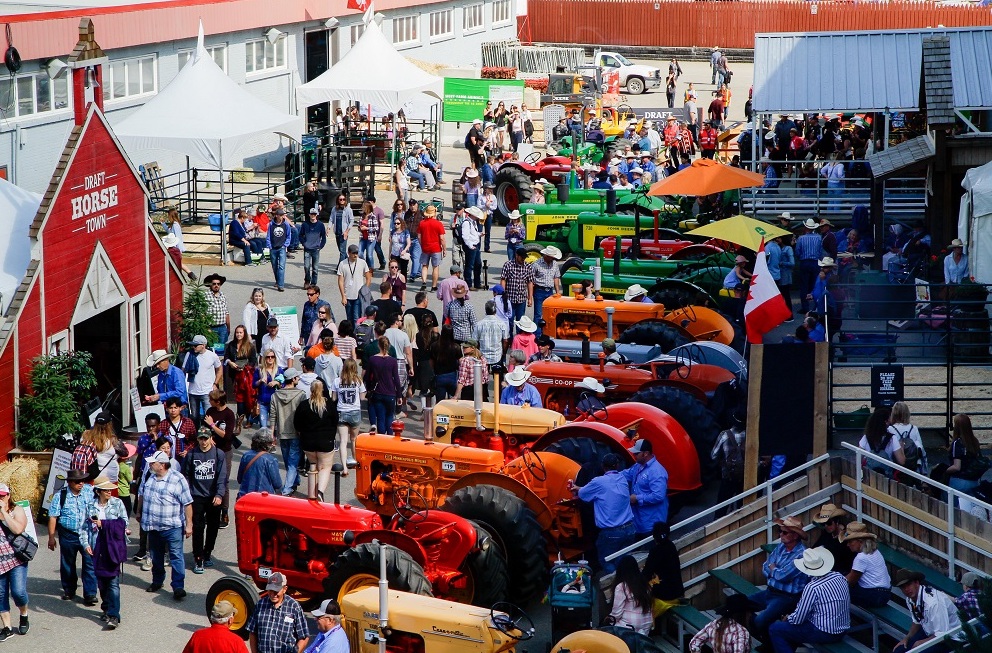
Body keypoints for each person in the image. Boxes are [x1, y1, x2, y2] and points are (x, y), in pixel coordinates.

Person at [768, 547, 850, 653]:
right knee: (790, 627)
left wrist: (788, 619)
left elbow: (799, 618)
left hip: (824, 632)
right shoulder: (839, 577)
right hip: (842, 629)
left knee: (775, 628)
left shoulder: (812, 587)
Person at [140, 450, 194, 601]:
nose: (150, 465)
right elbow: (143, 496)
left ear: (162, 465)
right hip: (153, 527)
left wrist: (189, 525)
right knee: (156, 556)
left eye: (153, 463)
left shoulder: (177, 479)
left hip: (173, 528)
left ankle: (178, 586)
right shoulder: (151, 477)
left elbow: (187, 503)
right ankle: (157, 581)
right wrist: (139, 512)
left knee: (176, 556)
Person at [569, 453, 635, 574]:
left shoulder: (598, 482)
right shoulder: (622, 479)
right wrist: (580, 488)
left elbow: (583, 494)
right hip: (630, 529)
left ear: (603, 466)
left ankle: (617, 583)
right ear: (617, 465)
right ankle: (626, 583)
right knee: (623, 561)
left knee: (606, 560)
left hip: (612, 532)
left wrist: (577, 488)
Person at [748, 516, 809, 638]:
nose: (781, 534)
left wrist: (773, 570)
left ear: (795, 536)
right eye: (780, 531)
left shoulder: (802, 555)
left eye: (785, 532)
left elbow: (783, 576)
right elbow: (765, 566)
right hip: (770, 591)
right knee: (739, 603)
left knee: (760, 621)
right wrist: (774, 570)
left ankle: (766, 643)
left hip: (786, 597)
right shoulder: (781, 546)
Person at [83, 477, 128, 629]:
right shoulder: (89, 506)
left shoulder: (118, 503)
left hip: (113, 548)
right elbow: (83, 527)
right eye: (106, 490)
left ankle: (114, 615)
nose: (110, 492)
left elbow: (124, 523)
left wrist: (105, 524)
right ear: (98, 491)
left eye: (110, 489)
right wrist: (85, 544)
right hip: (96, 548)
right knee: (102, 583)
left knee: (113, 583)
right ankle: (107, 608)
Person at [47, 469, 97, 604]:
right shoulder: (60, 496)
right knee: (68, 563)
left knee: (89, 563)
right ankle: (69, 590)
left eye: (83, 481)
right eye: (77, 481)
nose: (81, 484)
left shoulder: (89, 491)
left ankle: (90, 593)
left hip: (87, 534)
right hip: (68, 534)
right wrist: (51, 537)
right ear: (69, 482)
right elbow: (53, 516)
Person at [181, 429, 227, 574]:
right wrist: (188, 492)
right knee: (198, 528)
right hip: (197, 497)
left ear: (210, 438)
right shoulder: (192, 454)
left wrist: (219, 495)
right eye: (201, 439)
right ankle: (198, 557)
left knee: (213, 527)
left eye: (206, 439)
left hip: (213, 497)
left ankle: (208, 552)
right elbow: (186, 474)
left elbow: (222, 476)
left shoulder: (218, 454)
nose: (203, 442)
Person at [893, 568, 961, 653]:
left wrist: (922, 642)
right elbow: (917, 621)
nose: (906, 589)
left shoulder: (933, 603)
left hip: (953, 638)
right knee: (899, 650)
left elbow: (943, 635)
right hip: (931, 631)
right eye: (903, 587)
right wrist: (907, 638)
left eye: (909, 584)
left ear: (917, 583)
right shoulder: (910, 599)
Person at [295, 380, 338, 498]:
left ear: (311, 390)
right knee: (325, 467)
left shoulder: (304, 405)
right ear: (323, 389)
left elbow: (297, 424)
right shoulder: (329, 405)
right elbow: (335, 422)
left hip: (307, 442)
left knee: (313, 465)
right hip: (325, 441)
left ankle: (312, 494)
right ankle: (319, 492)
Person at [247, 572, 308, 653]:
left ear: (284, 589)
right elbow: (252, 632)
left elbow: (303, 638)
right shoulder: (260, 604)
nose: (272, 594)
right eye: (270, 590)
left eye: (276, 591)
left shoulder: (294, 607)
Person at [624, 440, 670, 540]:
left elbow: (658, 496)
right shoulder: (638, 466)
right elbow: (626, 474)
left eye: (636, 453)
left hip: (651, 524)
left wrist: (637, 498)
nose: (634, 455)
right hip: (640, 523)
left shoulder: (657, 472)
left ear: (646, 453)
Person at [271, 368, 307, 496]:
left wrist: (272, 432)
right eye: (297, 377)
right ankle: (286, 489)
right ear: (293, 379)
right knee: (292, 462)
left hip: (282, 431)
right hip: (296, 432)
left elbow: (273, 415)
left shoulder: (275, 395)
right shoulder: (301, 395)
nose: (299, 379)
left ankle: (295, 480)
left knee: (288, 460)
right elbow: (304, 415)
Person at [0, 484, 30, 640]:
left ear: (8, 496)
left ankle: (24, 614)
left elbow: (18, 529)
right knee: (0, 595)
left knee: (18, 592)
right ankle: (7, 627)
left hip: (16, 560)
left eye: (2, 496)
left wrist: (4, 512)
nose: (0, 499)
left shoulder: (16, 510)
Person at [203, 389, 236, 528]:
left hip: (225, 450)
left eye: (211, 399)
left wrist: (212, 425)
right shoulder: (210, 410)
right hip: (212, 450)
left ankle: (224, 511)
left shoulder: (229, 414)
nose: (209, 402)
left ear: (218, 401)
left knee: (224, 481)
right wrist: (210, 438)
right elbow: (204, 428)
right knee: (210, 478)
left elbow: (227, 436)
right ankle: (210, 509)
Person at [838, 522, 891, 608]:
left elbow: (850, 582)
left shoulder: (861, 558)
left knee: (838, 590)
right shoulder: (875, 551)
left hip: (875, 595)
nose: (847, 544)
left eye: (850, 541)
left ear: (860, 542)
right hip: (885, 593)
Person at [689, 593, 757, 653]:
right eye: (749, 612)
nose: (750, 614)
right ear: (744, 614)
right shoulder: (741, 632)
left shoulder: (714, 624)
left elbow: (694, 643)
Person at [643, 522, 684, 618]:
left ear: (654, 536)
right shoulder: (671, 546)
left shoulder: (655, 551)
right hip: (677, 592)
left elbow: (646, 573)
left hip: (664, 594)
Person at [71, 410, 122, 485]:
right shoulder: (111, 439)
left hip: (92, 477)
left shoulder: (85, 435)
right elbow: (125, 452)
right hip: (108, 480)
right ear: (109, 425)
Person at [184, 334, 223, 431]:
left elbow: (219, 369)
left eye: (195, 345)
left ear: (203, 345)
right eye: (193, 345)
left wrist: (215, 383)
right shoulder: (189, 355)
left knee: (209, 416)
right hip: (192, 391)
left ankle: (210, 435)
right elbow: (183, 370)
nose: (193, 347)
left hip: (207, 391)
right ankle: (196, 436)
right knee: (194, 417)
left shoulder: (212, 356)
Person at [609, 555, 654, 635]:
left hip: (629, 626)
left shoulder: (621, 587)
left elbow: (617, 613)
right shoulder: (645, 584)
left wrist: (609, 620)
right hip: (646, 626)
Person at [366, 337, 403, 433]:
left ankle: (382, 438)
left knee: (380, 418)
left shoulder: (372, 359)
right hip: (390, 392)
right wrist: (399, 395)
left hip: (377, 391)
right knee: (389, 417)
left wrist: (369, 389)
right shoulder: (393, 361)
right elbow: (396, 378)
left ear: (379, 345)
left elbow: (367, 376)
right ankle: (389, 438)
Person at [887, 401, 928, 477]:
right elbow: (921, 451)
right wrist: (924, 473)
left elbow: (888, 451)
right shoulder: (914, 429)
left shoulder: (890, 429)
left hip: (895, 468)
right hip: (913, 468)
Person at [810, 503, 853, 574]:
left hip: (841, 572)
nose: (826, 526)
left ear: (837, 521)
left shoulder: (846, 538)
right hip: (826, 568)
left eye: (829, 523)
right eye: (823, 524)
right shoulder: (827, 534)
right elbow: (814, 548)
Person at [238, 429, 282, 498]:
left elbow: (239, 479)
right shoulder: (271, 460)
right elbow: (277, 484)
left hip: (245, 496)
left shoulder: (246, 455)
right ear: (267, 444)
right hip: (262, 498)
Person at [338, 244, 373, 324]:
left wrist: (365, 289)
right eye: (353, 253)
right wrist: (343, 296)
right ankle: (350, 334)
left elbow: (368, 277)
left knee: (356, 318)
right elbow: (340, 281)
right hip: (348, 296)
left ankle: (356, 335)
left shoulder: (362, 263)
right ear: (348, 253)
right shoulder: (342, 264)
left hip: (358, 296)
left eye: (356, 253)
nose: (355, 255)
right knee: (349, 318)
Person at [500, 249, 535, 323]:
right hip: (510, 298)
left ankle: (519, 335)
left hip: (521, 299)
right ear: (517, 256)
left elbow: (530, 283)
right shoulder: (508, 265)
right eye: (522, 257)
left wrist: (530, 298)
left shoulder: (528, 267)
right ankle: (509, 334)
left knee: (521, 321)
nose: (523, 259)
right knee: (509, 320)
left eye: (524, 257)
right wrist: (502, 295)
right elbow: (503, 280)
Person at [531, 245, 562, 326]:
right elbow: (531, 280)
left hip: (550, 291)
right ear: (546, 256)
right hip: (539, 290)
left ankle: (547, 333)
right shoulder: (536, 264)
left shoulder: (554, 264)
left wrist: (557, 292)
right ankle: (537, 335)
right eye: (551, 257)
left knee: (549, 314)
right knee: (538, 314)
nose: (553, 259)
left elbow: (556, 277)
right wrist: (530, 296)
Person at [474, 300, 510, 368]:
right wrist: (504, 353)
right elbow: (505, 341)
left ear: (485, 311)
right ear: (495, 311)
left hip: (483, 356)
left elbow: (475, 341)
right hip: (497, 356)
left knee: (483, 377)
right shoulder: (501, 324)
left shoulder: (479, 324)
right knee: (498, 377)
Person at [430, 326, 462, 400]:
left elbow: (431, 361)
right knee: (453, 400)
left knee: (440, 400)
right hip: (452, 375)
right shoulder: (456, 347)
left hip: (439, 375)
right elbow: (461, 361)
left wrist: (433, 370)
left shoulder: (435, 346)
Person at [266, 208, 292, 292]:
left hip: (282, 247)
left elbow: (288, 235)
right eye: (280, 215)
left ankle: (281, 285)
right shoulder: (271, 224)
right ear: (276, 215)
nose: (281, 217)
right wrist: (269, 245)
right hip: (273, 247)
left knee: (281, 266)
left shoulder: (286, 224)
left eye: (283, 215)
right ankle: (278, 280)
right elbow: (268, 235)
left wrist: (285, 245)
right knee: (274, 266)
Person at [203, 273, 230, 345]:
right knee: (212, 348)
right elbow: (202, 314)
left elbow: (226, 313)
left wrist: (228, 327)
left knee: (222, 348)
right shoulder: (205, 296)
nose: (216, 285)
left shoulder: (223, 296)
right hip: (211, 328)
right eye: (214, 284)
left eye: (218, 284)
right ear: (210, 284)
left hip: (222, 327)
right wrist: (206, 328)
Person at [461, 207, 484, 289]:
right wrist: (470, 246)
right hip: (471, 246)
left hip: (475, 245)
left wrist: (479, 234)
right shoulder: (466, 223)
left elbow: (472, 233)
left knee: (478, 264)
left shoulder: (473, 222)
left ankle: (477, 283)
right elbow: (465, 236)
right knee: (469, 265)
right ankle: (468, 284)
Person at [244, 288, 272, 353]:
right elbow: (246, 321)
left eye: (259, 296)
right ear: (253, 296)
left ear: (262, 297)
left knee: (267, 349)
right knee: (258, 350)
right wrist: (248, 335)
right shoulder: (249, 307)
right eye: (256, 296)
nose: (258, 298)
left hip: (266, 331)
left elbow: (271, 316)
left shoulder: (266, 305)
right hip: (256, 333)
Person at [328, 192, 353, 266]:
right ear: (338, 200)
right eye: (340, 199)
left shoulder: (348, 210)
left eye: (343, 199)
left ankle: (339, 267)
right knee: (342, 250)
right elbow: (331, 219)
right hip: (337, 232)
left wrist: (347, 231)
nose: (342, 201)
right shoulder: (334, 209)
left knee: (342, 251)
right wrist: (328, 227)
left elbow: (351, 220)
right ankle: (349, 263)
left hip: (344, 233)